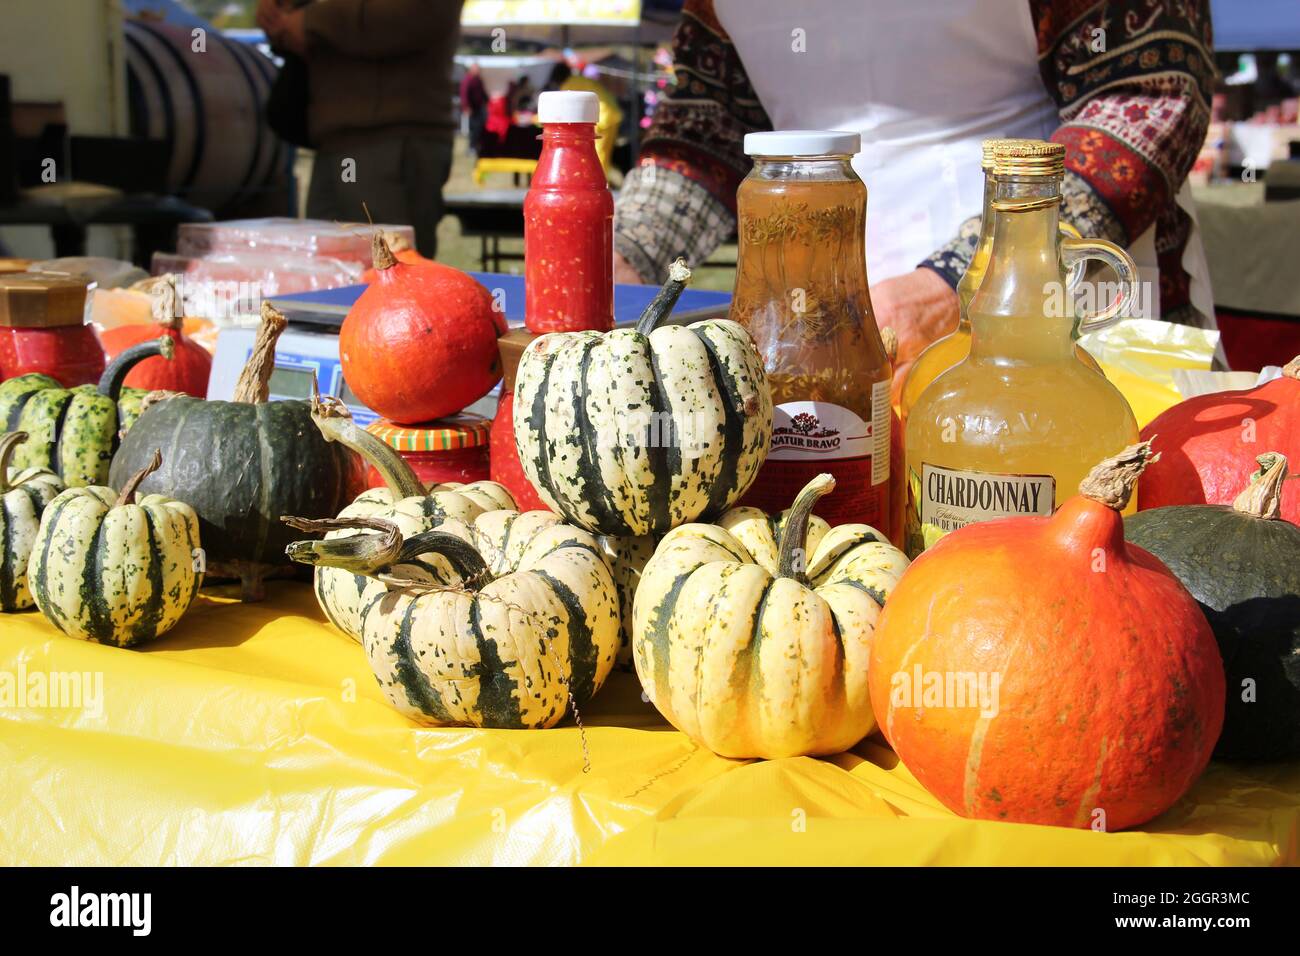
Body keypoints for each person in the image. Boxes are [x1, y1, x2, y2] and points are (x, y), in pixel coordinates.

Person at [613, 1, 1217, 380]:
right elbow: (710, 119)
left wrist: (963, 280)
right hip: (824, 322)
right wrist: (625, 252)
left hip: (1055, 309)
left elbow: (1147, 95)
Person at [257, 0, 464, 258]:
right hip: (341, 140)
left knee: (393, 274)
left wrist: (308, 21)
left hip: (389, 140)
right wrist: (280, 15)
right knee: (330, 275)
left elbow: (408, 16)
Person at [461, 62, 490, 155]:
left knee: (481, 127)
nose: (478, 71)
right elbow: (464, 94)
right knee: (474, 129)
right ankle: (471, 147)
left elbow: (483, 92)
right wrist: (466, 107)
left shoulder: (478, 80)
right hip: (472, 109)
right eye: (476, 69)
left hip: (479, 108)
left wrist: (489, 101)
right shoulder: (467, 80)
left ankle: (477, 146)